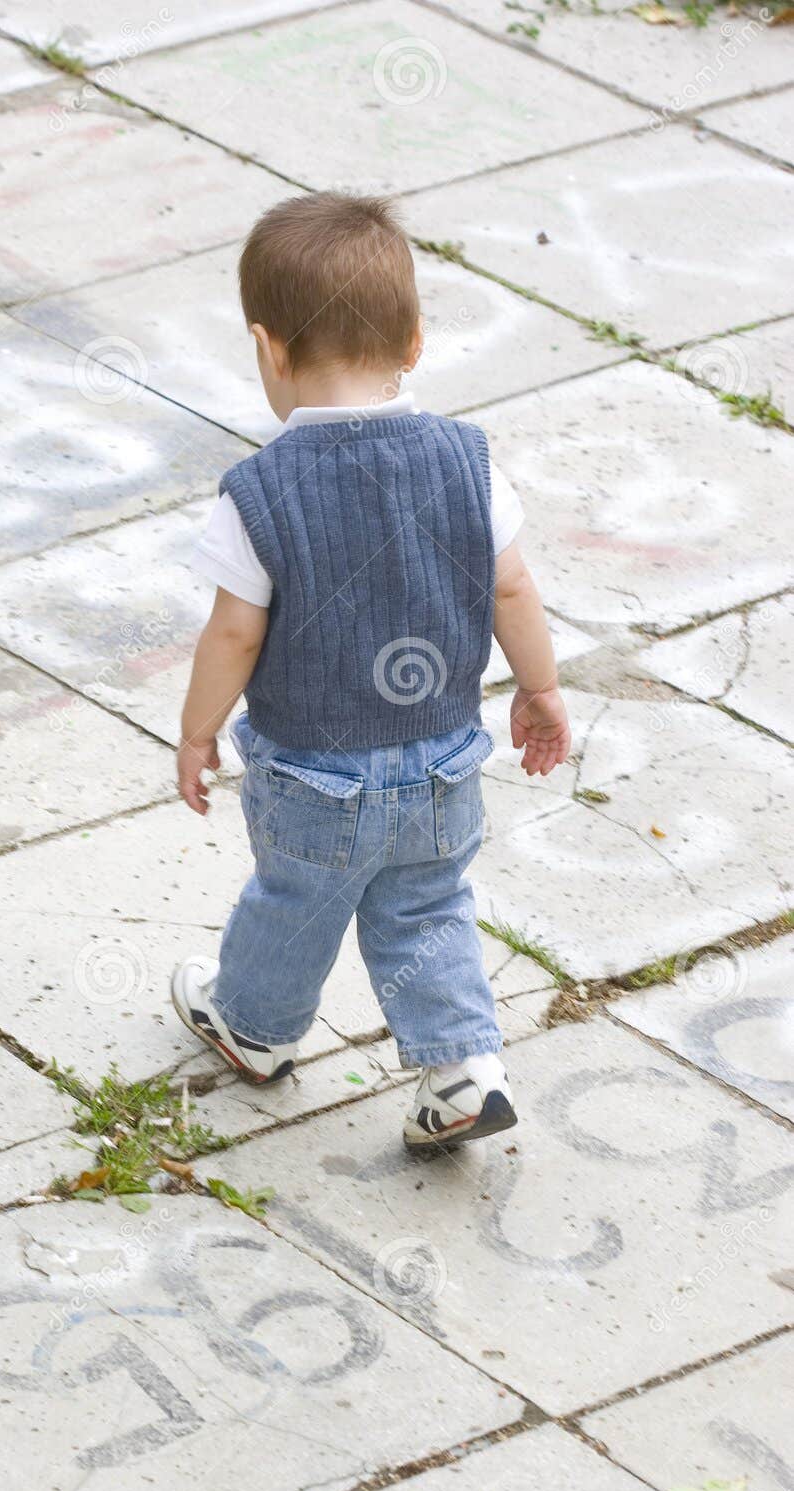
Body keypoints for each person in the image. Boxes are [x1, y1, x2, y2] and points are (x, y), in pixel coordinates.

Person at [171, 193, 570, 1150]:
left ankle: (255, 1030)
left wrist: (194, 732)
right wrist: (540, 690)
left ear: (269, 350)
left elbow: (232, 634)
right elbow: (511, 590)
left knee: (296, 902)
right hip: (440, 761)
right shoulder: (468, 462)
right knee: (425, 904)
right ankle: (462, 1069)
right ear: (416, 341)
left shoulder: (258, 491)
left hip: (317, 777)